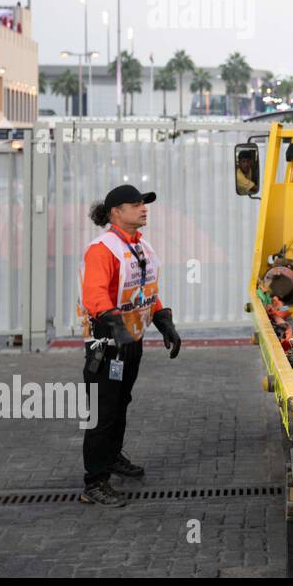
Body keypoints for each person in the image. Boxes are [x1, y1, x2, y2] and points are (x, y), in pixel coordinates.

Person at [78, 185, 183, 507]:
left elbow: (146, 289)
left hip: (130, 343)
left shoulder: (140, 246)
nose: (143, 208)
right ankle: (94, 482)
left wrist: (164, 322)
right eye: (135, 204)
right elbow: (94, 296)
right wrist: (119, 332)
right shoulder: (102, 249)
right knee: (103, 412)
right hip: (108, 345)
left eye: (144, 204)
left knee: (121, 403)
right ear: (116, 212)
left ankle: (111, 458)